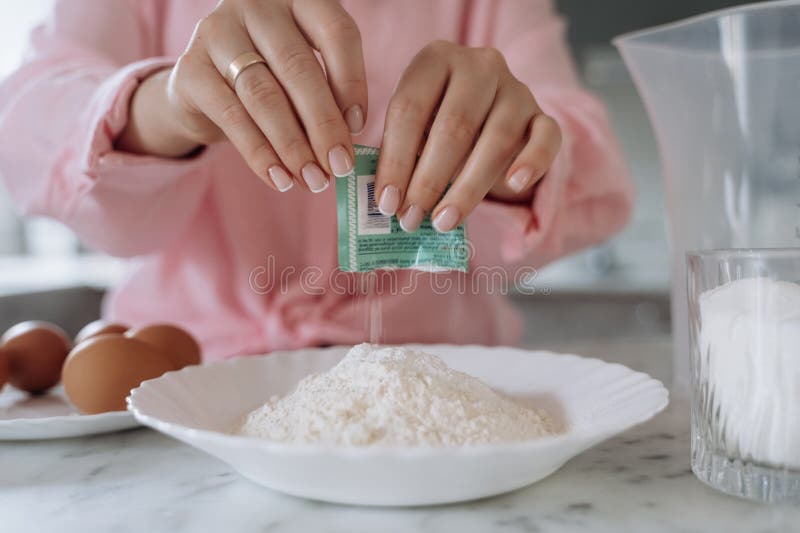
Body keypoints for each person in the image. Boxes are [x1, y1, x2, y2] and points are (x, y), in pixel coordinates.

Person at [0, 0, 633, 360]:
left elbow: (587, 167)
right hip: (181, 381)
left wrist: (509, 157)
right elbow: (28, 116)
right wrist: (170, 107)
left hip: (444, 378)